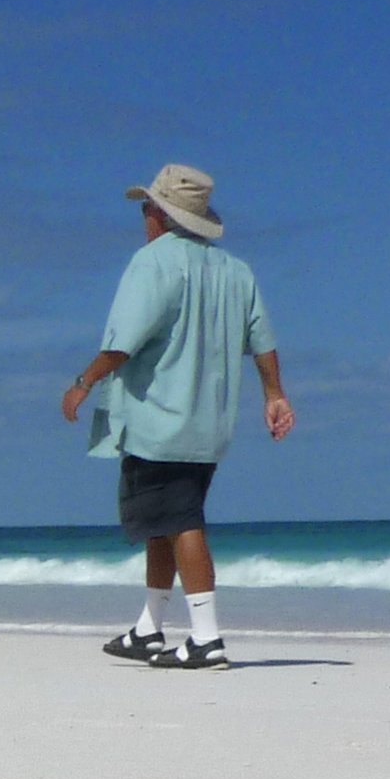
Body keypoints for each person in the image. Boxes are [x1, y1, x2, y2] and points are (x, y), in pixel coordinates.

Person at [61, 163, 292, 670]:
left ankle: (207, 638)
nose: (143, 218)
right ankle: (149, 628)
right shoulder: (237, 271)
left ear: (160, 216)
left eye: (146, 209)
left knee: (181, 521)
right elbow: (264, 341)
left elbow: (123, 341)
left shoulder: (153, 263)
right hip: (210, 424)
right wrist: (274, 394)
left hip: (158, 419)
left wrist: (83, 382)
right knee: (161, 522)